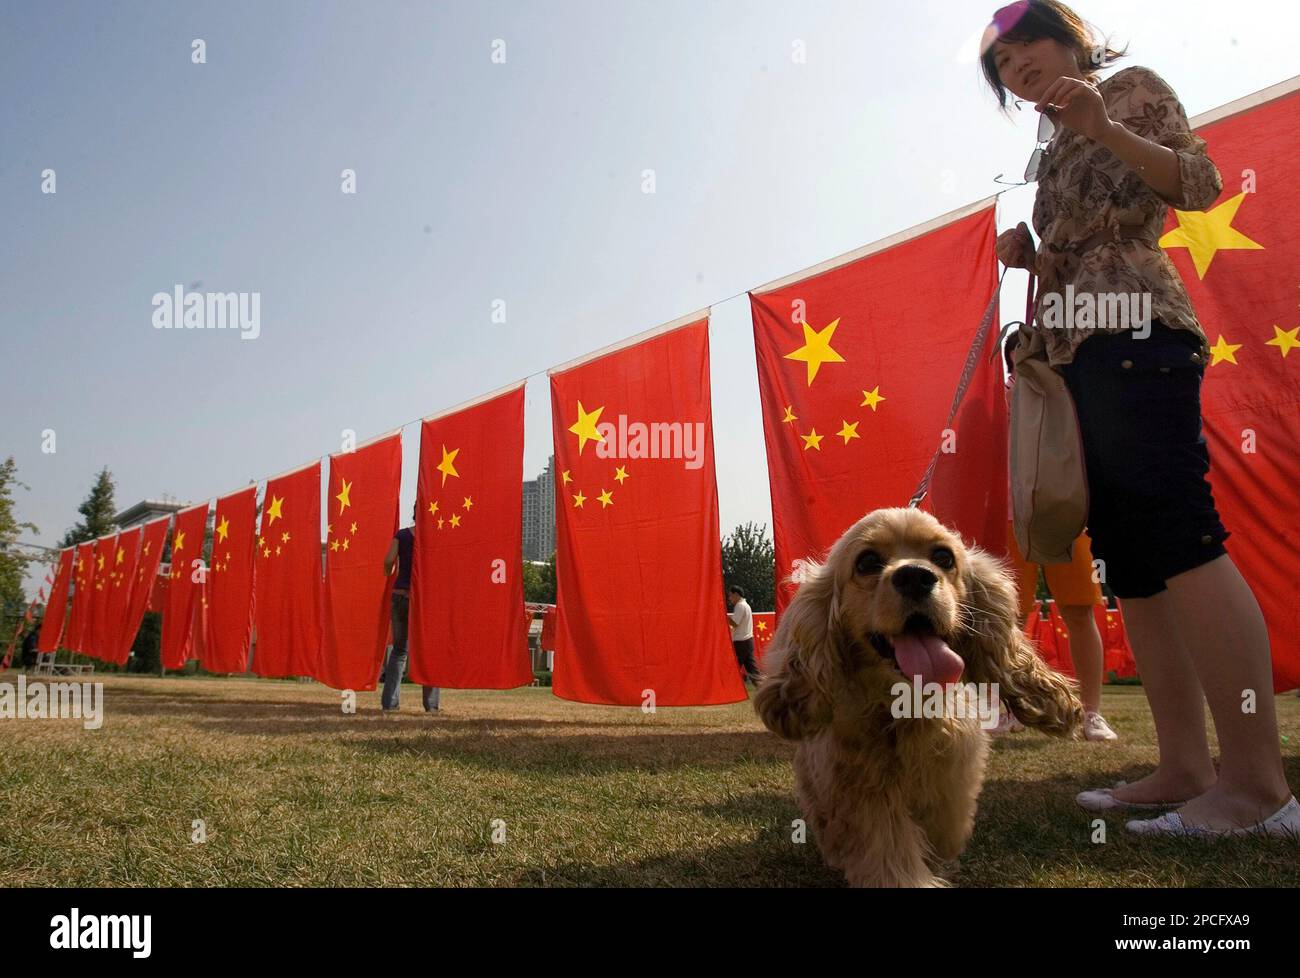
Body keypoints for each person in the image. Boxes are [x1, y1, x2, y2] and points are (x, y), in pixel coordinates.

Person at [982, 1, 1297, 836]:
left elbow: (1198, 185)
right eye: (1004, 71)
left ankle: (1259, 786)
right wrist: (1034, 255)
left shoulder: (1128, 90)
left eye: (1027, 51)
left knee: (1181, 535)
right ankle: (1185, 767)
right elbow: (1082, 250)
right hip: (1079, 349)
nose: (1019, 72)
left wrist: (1106, 127)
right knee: (1136, 565)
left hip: (1140, 333)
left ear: (1070, 40)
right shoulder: (1047, 150)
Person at [1002, 327, 1117, 742]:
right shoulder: (1002, 397)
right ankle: (1010, 707)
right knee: (1009, 618)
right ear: (1011, 358)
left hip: (1068, 515)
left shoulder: (1066, 394)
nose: (1028, 356)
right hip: (1015, 519)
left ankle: (1091, 713)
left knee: (1079, 609)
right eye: (1020, 350)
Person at [381, 504, 440, 714]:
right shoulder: (434, 538)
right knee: (429, 652)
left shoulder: (403, 535)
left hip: (400, 596)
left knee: (398, 651)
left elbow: (388, 560)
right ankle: (431, 706)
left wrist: (389, 572)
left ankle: (390, 704)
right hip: (424, 600)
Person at [725, 585, 760, 686]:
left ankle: (727, 688)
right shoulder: (745, 605)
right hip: (747, 641)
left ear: (736, 595)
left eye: (730, 596)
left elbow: (734, 623)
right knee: (752, 669)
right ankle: (761, 686)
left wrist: (723, 615)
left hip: (741, 642)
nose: (729, 599)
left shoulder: (740, 606)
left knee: (732, 668)